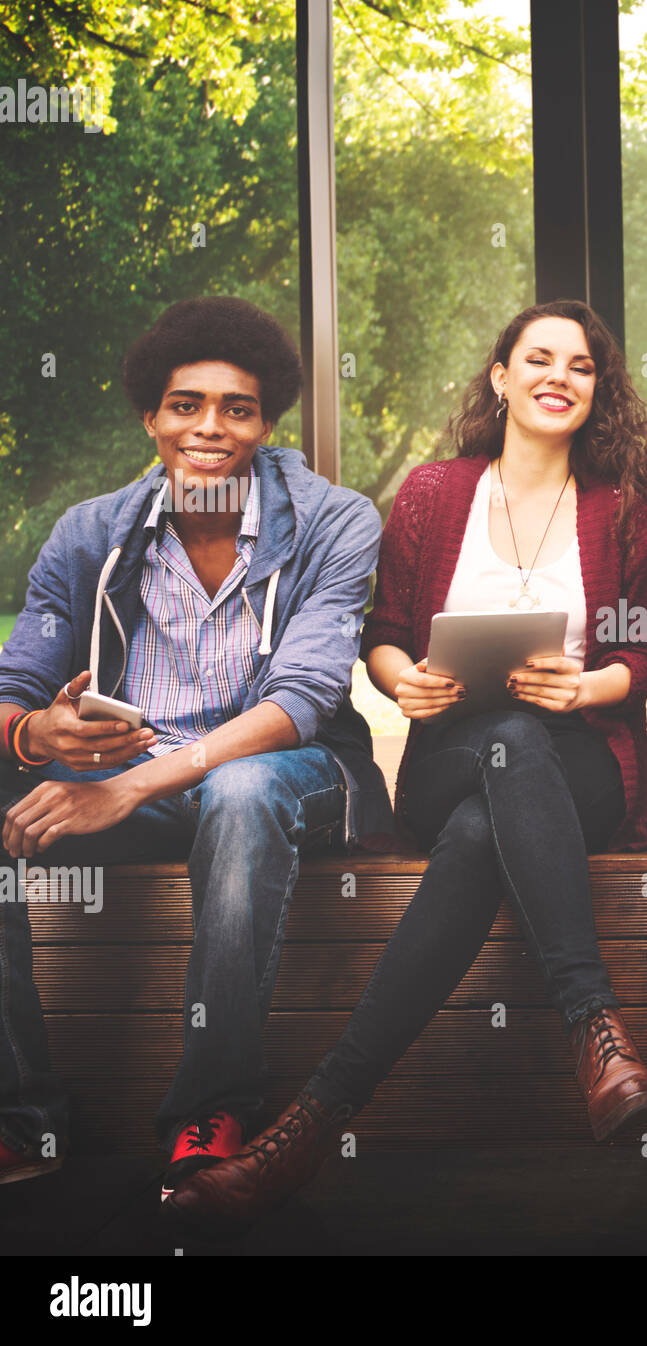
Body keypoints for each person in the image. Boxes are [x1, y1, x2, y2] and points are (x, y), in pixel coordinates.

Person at [162, 298, 647, 1235]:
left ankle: (309, 1128)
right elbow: (385, 637)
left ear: (599, 390)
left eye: (581, 366)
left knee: (506, 781)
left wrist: (590, 684)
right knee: (498, 746)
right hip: (448, 754)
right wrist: (407, 685)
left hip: (584, 764)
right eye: (539, 359)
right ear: (501, 377)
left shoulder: (627, 508)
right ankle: (594, 1027)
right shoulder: (436, 493)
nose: (558, 377)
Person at [0, 297, 391, 1199]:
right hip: (132, 779)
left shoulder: (335, 522)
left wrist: (128, 789)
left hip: (293, 775)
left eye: (237, 408)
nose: (209, 428)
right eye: (186, 404)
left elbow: (301, 701)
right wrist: (37, 734)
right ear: (151, 415)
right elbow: (16, 688)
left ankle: (211, 1110)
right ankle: (24, 1120)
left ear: (266, 423)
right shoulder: (90, 532)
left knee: (243, 791)